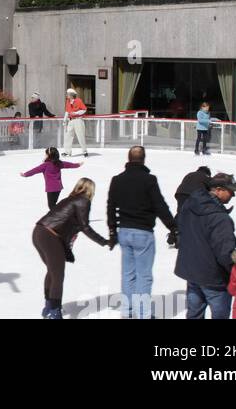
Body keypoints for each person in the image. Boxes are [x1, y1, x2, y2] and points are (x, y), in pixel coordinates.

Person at [106, 146, 176, 319]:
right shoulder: (149, 180)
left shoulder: (117, 180)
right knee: (144, 275)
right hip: (143, 232)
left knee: (128, 274)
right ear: (143, 159)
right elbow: (160, 205)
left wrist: (112, 231)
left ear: (128, 159)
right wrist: (173, 226)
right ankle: (144, 314)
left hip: (124, 232)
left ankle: (127, 311)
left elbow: (110, 206)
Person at [32, 178, 110, 319]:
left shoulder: (70, 199)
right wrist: (104, 241)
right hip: (50, 235)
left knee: (52, 272)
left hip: (39, 232)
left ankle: (48, 306)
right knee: (57, 275)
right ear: (90, 190)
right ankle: (54, 311)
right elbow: (85, 227)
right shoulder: (83, 201)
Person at [174, 173, 236, 319]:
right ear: (218, 189)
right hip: (214, 279)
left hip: (192, 272)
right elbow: (225, 253)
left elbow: (181, 229)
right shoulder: (220, 219)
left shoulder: (189, 204)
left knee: (194, 314)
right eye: (230, 191)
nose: (233, 195)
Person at [62, 88, 88, 157]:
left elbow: (84, 110)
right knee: (68, 136)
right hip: (71, 121)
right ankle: (67, 152)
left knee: (80, 135)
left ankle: (84, 151)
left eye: (67, 94)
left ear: (71, 95)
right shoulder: (67, 101)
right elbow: (67, 111)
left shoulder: (78, 100)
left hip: (78, 120)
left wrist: (76, 113)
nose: (66, 95)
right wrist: (64, 119)